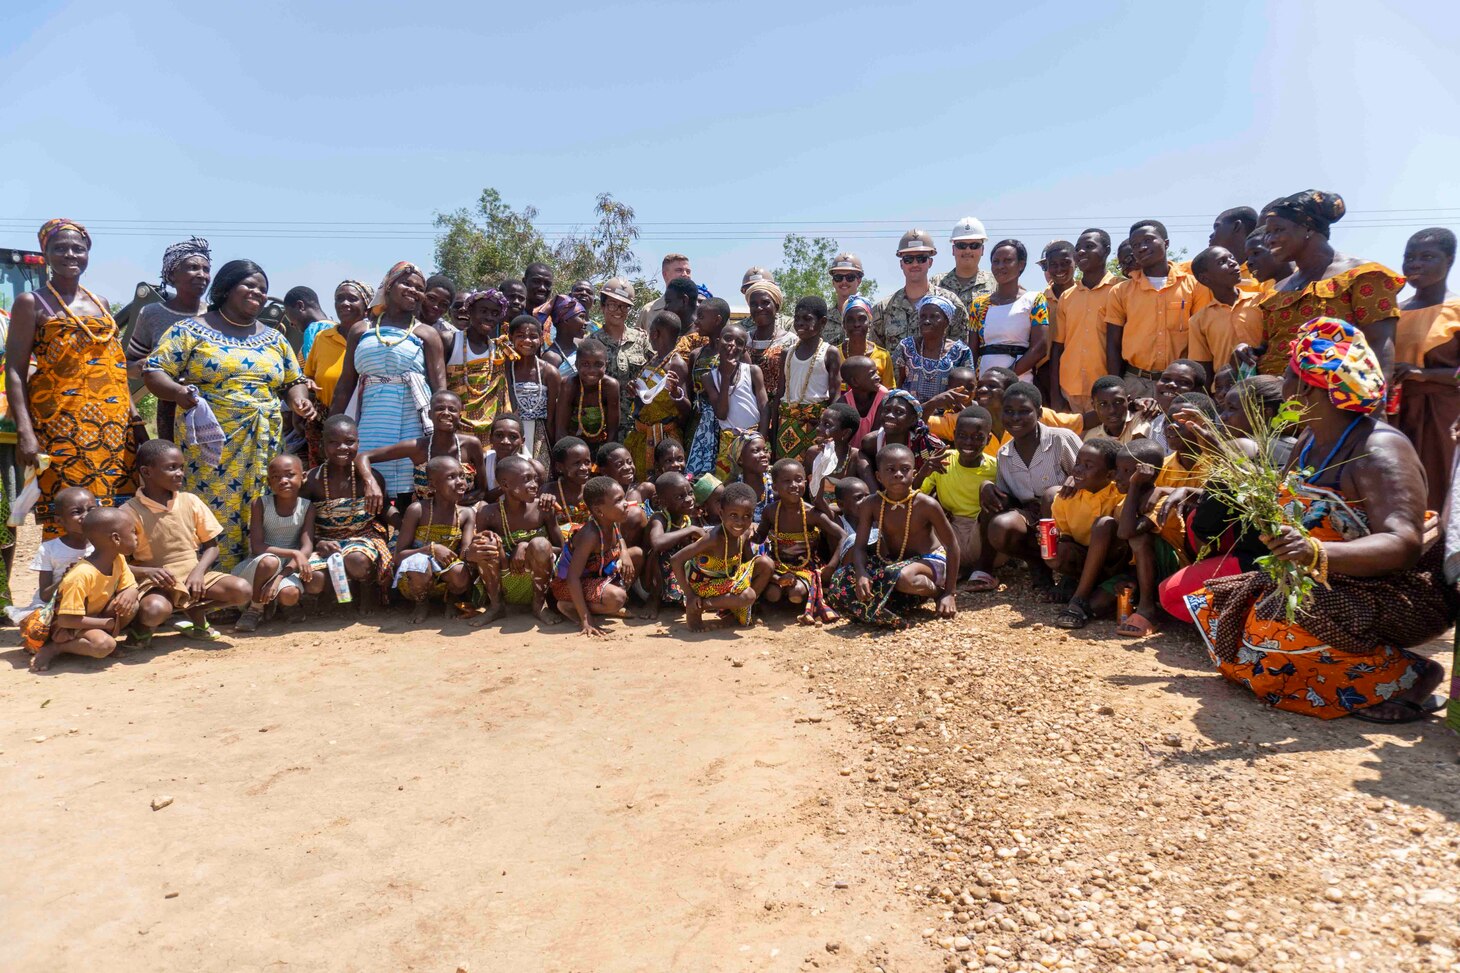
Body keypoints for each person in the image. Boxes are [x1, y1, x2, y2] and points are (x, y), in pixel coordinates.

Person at [1187, 318, 1457, 722]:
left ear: (1310, 386)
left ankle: (1409, 675)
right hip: (1326, 578)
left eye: (1288, 376)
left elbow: (1402, 544)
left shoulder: (1379, 451)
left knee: (1280, 638)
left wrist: (1314, 550)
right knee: (1233, 613)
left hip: (1397, 591)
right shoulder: (1311, 441)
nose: (1283, 385)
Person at [143, 259, 315, 568]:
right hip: (211, 444)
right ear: (225, 288)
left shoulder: (274, 337)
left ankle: (261, 585)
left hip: (264, 443)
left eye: (262, 289)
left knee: (263, 507)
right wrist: (179, 393)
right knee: (213, 509)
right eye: (249, 285)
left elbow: (294, 381)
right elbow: (154, 371)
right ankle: (213, 586)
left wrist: (300, 400)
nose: (257, 293)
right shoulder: (190, 330)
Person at [7, 219, 141, 535]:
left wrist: (134, 422)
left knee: (115, 514)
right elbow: (15, 369)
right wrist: (25, 432)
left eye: (78, 248)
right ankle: (64, 582)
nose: (70, 254)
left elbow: (115, 367)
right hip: (61, 426)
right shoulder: (31, 302)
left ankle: (110, 581)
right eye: (60, 248)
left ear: (88, 253)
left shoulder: (102, 304)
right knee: (70, 514)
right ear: (46, 253)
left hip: (112, 427)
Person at [1241, 191, 1404, 379]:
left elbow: (1380, 344)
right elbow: (1272, 345)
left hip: (1336, 400)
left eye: (1278, 230)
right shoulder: (1277, 291)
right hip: (1273, 401)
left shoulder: (1362, 276)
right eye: (1267, 233)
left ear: (1308, 229)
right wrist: (1248, 351)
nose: (1269, 240)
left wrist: (1377, 404)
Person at [330, 262, 446, 515]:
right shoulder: (362, 330)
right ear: (390, 285)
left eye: (419, 288)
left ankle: (404, 541)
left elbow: (440, 390)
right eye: (406, 283)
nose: (413, 290)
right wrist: (330, 428)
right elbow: (345, 383)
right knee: (370, 476)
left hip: (412, 419)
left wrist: (440, 436)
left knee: (409, 484)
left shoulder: (426, 334)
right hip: (372, 417)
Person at [125, 440, 252, 642]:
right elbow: (118, 562)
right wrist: (147, 572)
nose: (180, 473)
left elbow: (212, 546)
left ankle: (196, 614)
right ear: (146, 472)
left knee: (242, 590)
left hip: (193, 575)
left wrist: (199, 572)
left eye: (181, 467)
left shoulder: (190, 501)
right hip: (155, 581)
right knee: (154, 610)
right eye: (171, 468)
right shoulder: (129, 512)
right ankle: (141, 629)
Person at [829, 443, 959, 628]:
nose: (898, 474)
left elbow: (952, 545)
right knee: (841, 579)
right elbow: (859, 547)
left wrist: (949, 592)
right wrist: (861, 574)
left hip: (928, 562)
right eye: (891, 470)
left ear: (913, 473)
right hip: (894, 563)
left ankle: (936, 593)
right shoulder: (872, 504)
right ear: (878, 476)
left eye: (905, 469)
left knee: (903, 578)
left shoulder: (926, 504)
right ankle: (893, 602)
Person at [969, 382, 1081, 594]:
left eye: (1024, 411)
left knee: (1050, 495)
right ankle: (1036, 564)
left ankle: (1071, 575)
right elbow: (1008, 498)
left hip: (1069, 517)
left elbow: (1089, 474)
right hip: (1035, 520)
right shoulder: (1004, 454)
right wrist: (987, 486)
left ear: (1039, 413)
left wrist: (1077, 479)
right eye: (1009, 411)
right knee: (1000, 525)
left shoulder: (1061, 439)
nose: (1015, 418)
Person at [23, 507, 141, 673]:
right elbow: (66, 620)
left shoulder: (117, 559)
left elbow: (130, 586)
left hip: (93, 616)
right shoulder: (81, 575)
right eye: (133, 532)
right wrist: (105, 623)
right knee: (104, 646)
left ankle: (95, 636)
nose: (137, 537)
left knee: (132, 604)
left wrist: (131, 591)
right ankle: (56, 648)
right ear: (116, 538)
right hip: (68, 625)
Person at [1393, 228, 1460, 511]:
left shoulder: (1456, 309)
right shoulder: (1392, 312)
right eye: (1409, 257)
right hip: (1397, 415)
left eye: (1426, 257)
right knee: (1399, 489)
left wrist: (1422, 374)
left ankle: (1441, 553)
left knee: (1440, 487)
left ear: (1449, 260)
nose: (1414, 264)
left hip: (1443, 417)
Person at [303, 416, 394, 613]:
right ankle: (332, 598)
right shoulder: (312, 480)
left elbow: (384, 508)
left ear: (358, 443)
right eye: (334, 442)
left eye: (349, 442)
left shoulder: (371, 477)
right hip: (325, 539)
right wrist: (318, 542)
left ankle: (367, 592)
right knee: (314, 579)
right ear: (322, 445)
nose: (342, 447)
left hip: (363, 535)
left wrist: (407, 522)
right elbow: (303, 523)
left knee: (357, 560)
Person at [125, 236, 212, 441]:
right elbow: (126, 365)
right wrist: (143, 367)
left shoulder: (216, 314)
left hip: (215, 404)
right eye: (193, 268)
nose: (202, 275)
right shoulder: (152, 314)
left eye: (206, 269)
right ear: (172, 274)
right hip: (171, 407)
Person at [1105, 220, 1210, 381]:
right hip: (1136, 381)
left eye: (1148, 240)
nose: (1142, 247)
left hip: (1182, 382)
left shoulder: (1195, 286)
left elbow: (1203, 338)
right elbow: (1113, 344)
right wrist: (1117, 384)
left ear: (1166, 243)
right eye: (1136, 245)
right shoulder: (1120, 292)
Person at [470, 454, 564, 626]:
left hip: (538, 579)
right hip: (505, 581)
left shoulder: (542, 508)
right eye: (527, 479)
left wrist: (525, 546)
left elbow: (561, 549)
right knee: (486, 543)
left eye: (535, 479)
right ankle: (496, 606)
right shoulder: (488, 513)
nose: (534, 484)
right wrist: (475, 551)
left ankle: (539, 605)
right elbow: (476, 554)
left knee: (540, 544)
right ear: (505, 485)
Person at [231, 454, 321, 632]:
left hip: (288, 567)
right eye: (276, 477)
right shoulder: (260, 504)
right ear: (269, 482)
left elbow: (306, 548)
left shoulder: (307, 507)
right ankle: (255, 608)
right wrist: (294, 553)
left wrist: (280, 577)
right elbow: (257, 547)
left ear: (303, 477)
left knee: (290, 594)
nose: (283, 481)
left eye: (289, 475)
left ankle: (283, 604)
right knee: (270, 561)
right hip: (258, 565)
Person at [671, 481, 774, 630]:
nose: (740, 521)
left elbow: (748, 562)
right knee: (748, 596)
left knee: (766, 564)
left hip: (728, 579)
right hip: (704, 584)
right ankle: (698, 607)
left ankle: (736, 609)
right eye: (733, 515)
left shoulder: (744, 533)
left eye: (747, 516)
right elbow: (676, 560)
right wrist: (690, 595)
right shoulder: (713, 538)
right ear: (721, 514)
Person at [1044, 438, 1125, 629]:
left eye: (1088, 466)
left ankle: (1080, 596)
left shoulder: (1121, 494)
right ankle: (1076, 587)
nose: (1078, 469)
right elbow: (1066, 537)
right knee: (1056, 552)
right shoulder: (1066, 498)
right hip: (1083, 558)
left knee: (1098, 605)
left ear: (1110, 474)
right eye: (1078, 462)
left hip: (1114, 565)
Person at [754, 458, 844, 623]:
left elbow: (843, 537)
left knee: (795, 595)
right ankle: (778, 591)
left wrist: (831, 566)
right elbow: (759, 537)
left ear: (806, 482)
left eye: (798, 479)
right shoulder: (770, 512)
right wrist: (748, 533)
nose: (794, 485)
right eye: (786, 481)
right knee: (772, 595)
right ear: (775, 487)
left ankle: (793, 594)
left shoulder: (812, 514)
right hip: (778, 566)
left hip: (806, 567)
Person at [359, 389, 486, 504]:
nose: (446, 413)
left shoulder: (471, 445)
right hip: (425, 518)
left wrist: (450, 504)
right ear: (430, 414)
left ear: (460, 416)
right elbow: (363, 457)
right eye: (440, 408)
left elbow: (481, 490)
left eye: (452, 409)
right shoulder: (417, 447)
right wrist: (370, 482)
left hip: (466, 514)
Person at [552, 475, 640, 636]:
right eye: (619, 500)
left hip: (598, 574)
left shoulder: (612, 521)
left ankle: (605, 603)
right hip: (568, 585)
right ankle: (570, 607)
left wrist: (625, 553)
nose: (626, 503)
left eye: (624, 498)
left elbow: (620, 538)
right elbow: (572, 577)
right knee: (618, 598)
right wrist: (586, 620)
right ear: (599, 510)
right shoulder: (590, 535)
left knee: (637, 555)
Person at [394, 455, 475, 623]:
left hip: (446, 576)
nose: (460, 481)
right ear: (432, 485)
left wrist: (480, 545)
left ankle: (451, 600)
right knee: (418, 564)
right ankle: (421, 603)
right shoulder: (418, 510)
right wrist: (431, 549)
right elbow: (399, 556)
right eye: (451, 477)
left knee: (461, 572)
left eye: (462, 475)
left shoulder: (466, 514)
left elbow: (465, 553)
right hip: (415, 580)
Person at [919, 405, 997, 574]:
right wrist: (923, 473)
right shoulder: (943, 460)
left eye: (977, 437)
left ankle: (983, 570)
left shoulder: (996, 467)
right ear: (954, 435)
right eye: (962, 436)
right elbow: (914, 495)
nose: (969, 442)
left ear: (988, 439)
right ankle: (953, 568)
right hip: (950, 529)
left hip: (982, 535)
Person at [301, 280, 372, 466]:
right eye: (339, 299)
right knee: (323, 478)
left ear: (367, 305)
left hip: (364, 420)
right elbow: (308, 375)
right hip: (324, 418)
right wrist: (307, 383)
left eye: (352, 299)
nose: (344, 304)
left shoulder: (373, 338)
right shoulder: (322, 338)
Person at [9, 486, 94, 625]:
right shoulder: (49, 549)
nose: (86, 515)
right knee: (38, 626)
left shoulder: (101, 544)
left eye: (91, 510)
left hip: (85, 604)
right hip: (53, 604)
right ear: (60, 521)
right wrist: (66, 579)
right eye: (76, 512)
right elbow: (45, 595)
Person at [969, 240, 1051, 380]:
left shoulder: (1035, 300)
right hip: (984, 383)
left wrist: (1005, 377)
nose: (1001, 266)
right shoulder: (978, 305)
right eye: (996, 261)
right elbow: (972, 351)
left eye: (1007, 260)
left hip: (1020, 382)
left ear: (1021, 264)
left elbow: (1040, 348)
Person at [873, 229, 968, 349]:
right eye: (908, 259)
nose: (915, 264)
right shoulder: (883, 310)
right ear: (901, 264)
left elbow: (961, 352)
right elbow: (877, 357)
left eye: (921, 258)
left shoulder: (951, 304)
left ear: (930, 262)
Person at [624, 310, 691, 477]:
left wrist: (675, 392)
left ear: (654, 333)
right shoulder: (653, 360)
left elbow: (687, 409)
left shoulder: (676, 364)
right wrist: (634, 390)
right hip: (641, 436)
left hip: (665, 443)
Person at [776, 297, 841, 461]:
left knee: (813, 470)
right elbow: (780, 391)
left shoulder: (829, 352)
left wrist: (828, 427)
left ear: (823, 322)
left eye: (807, 319)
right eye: (797, 319)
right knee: (786, 469)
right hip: (787, 422)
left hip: (815, 423)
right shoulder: (787, 353)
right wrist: (773, 427)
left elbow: (835, 394)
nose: (800, 323)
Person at [445, 287, 515, 440]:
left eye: (495, 314)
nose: (489, 317)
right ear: (469, 311)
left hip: (491, 435)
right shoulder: (450, 341)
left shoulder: (500, 350)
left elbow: (507, 392)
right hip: (455, 431)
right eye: (483, 311)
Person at [703, 324, 769, 480]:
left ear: (744, 349)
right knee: (728, 483)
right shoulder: (709, 377)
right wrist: (726, 377)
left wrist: (761, 439)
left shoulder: (752, 371)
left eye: (739, 342)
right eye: (727, 339)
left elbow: (764, 408)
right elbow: (721, 414)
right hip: (729, 441)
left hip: (755, 438)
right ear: (718, 342)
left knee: (758, 481)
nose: (732, 344)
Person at [1187, 246, 1262, 381]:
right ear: (1205, 278)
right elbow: (1204, 368)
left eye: (1232, 258)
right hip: (1229, 392)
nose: (1233, 263)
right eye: (1222, 262)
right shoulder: (1198, 321)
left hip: (1266, 385)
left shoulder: (1262, 301)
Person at [593, 277, 652, 441]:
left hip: (638, 425)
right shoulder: (592, 343)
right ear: (602, 306)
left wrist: (643, 386)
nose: (618, 311)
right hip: (604, 426)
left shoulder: (641, 339)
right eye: (612, 304)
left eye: (624, 306)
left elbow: (655, 370)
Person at [857, 389, 947, 490]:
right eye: (886, 410)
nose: (889, 416)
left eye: (899, 412)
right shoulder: (872, 442)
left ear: (912, 419)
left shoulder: (927, 445)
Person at [641, 470, 702, 616]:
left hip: (674, 574)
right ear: (663, 502)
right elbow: (657, 543)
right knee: (661, 552)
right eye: (679, 497)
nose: (688, 499)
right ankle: (654, 600)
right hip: (650, 580)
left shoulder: (687, 519)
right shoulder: (659, 518)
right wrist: (691, 530)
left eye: (690, 493)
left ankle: (683, 596)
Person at [503, 314, 561, 463]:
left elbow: (552, 417)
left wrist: (553, 450)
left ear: (541, 339)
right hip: (508, 436)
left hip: (539, 438)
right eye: (520, 336)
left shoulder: (549, 372)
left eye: (533, 336)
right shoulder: (504, 368)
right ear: (511, 338)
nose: (527, 341)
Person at [894, 295, 974, 402]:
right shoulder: (906, 347)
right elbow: (898, 382)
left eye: (933, 316)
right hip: (910, 413)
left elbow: (967, 388)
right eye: (922, 316)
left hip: (945, 415)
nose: (926, 321)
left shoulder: (961, 351)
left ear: (946, 322)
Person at [805, 402, 873, 512]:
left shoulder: (856, 459)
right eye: (820, 423)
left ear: (845, 433)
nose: (818, 428)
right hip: (815, 517)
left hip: (844, 522)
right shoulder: (813, 454)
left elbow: (872, 497)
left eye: (827, 425)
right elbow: (803, 492)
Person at [555, 337, 619, 448]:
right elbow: (561, 430)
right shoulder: (569, 385)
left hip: (600, 444)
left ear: (606, 365)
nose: (592, 370)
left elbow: (612, 431)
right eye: (585, 364)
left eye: (598, 364)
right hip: (571, 446)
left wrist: (606, 458)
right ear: (576, 365)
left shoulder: (610, 386)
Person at [936, 217, 996, 316]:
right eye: (961, 245)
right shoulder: (936, 283)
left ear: (983, 250)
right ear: (953, 250)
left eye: (974, 245)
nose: (968, 251)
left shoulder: (996, 283)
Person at [743, 278, 789, 403]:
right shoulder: (742, 341)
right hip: (746, 410)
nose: (759, 308)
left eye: (765, 302)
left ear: (777, 306)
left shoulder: (791, 342)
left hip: (778, 411)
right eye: (753, 304)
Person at [838, 295, 895, 389]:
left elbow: (888, 393)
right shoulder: (834, 355)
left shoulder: (883, 356)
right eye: (850, 320)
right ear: (844, 324)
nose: (856, 324)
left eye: (862, 319)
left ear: (870, 323)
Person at [838, 355, 889, 449]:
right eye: (872, 374)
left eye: (876, 372)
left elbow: (875, 436)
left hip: (874, 450)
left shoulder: (883, 396)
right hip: (850, 452)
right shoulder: (844, 402)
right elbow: (842, 437)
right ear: (855, 382)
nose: (878, 377)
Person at [634, 253, 693, 332]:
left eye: (688, 271)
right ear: (665, 274)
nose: (685, 274)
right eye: (679, 270)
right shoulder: (648, 311)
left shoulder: (699, 310)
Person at [283, 285, 334, 362]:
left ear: (300, 306)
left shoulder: (313, 331)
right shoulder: (337, 328)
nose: (291, 324)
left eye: (287, 314)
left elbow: (312, 365)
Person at [823, 252, 865, 344]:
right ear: (833, 282)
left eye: (850, 277)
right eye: (838, 277)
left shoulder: (870, 316)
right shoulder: (823, 319)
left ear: (859, 281)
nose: (844, 282)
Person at [1243, 227, 1295, 296]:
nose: (1248, 262)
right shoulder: (1269, 299)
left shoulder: (1310, 281)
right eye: (1247, 258)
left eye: (1256, 253)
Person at [1209, 206, 1259, 272]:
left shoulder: (1264, 274)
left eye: (1216, 227)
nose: (1211, 235)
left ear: (1236, 226)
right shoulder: (1195, 271)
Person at [418, 275, 458, 340]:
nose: (436, 306)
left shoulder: (451, 335)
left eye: (444, 304)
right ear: (422, 294)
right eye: (431, 298)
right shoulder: (402, 320)